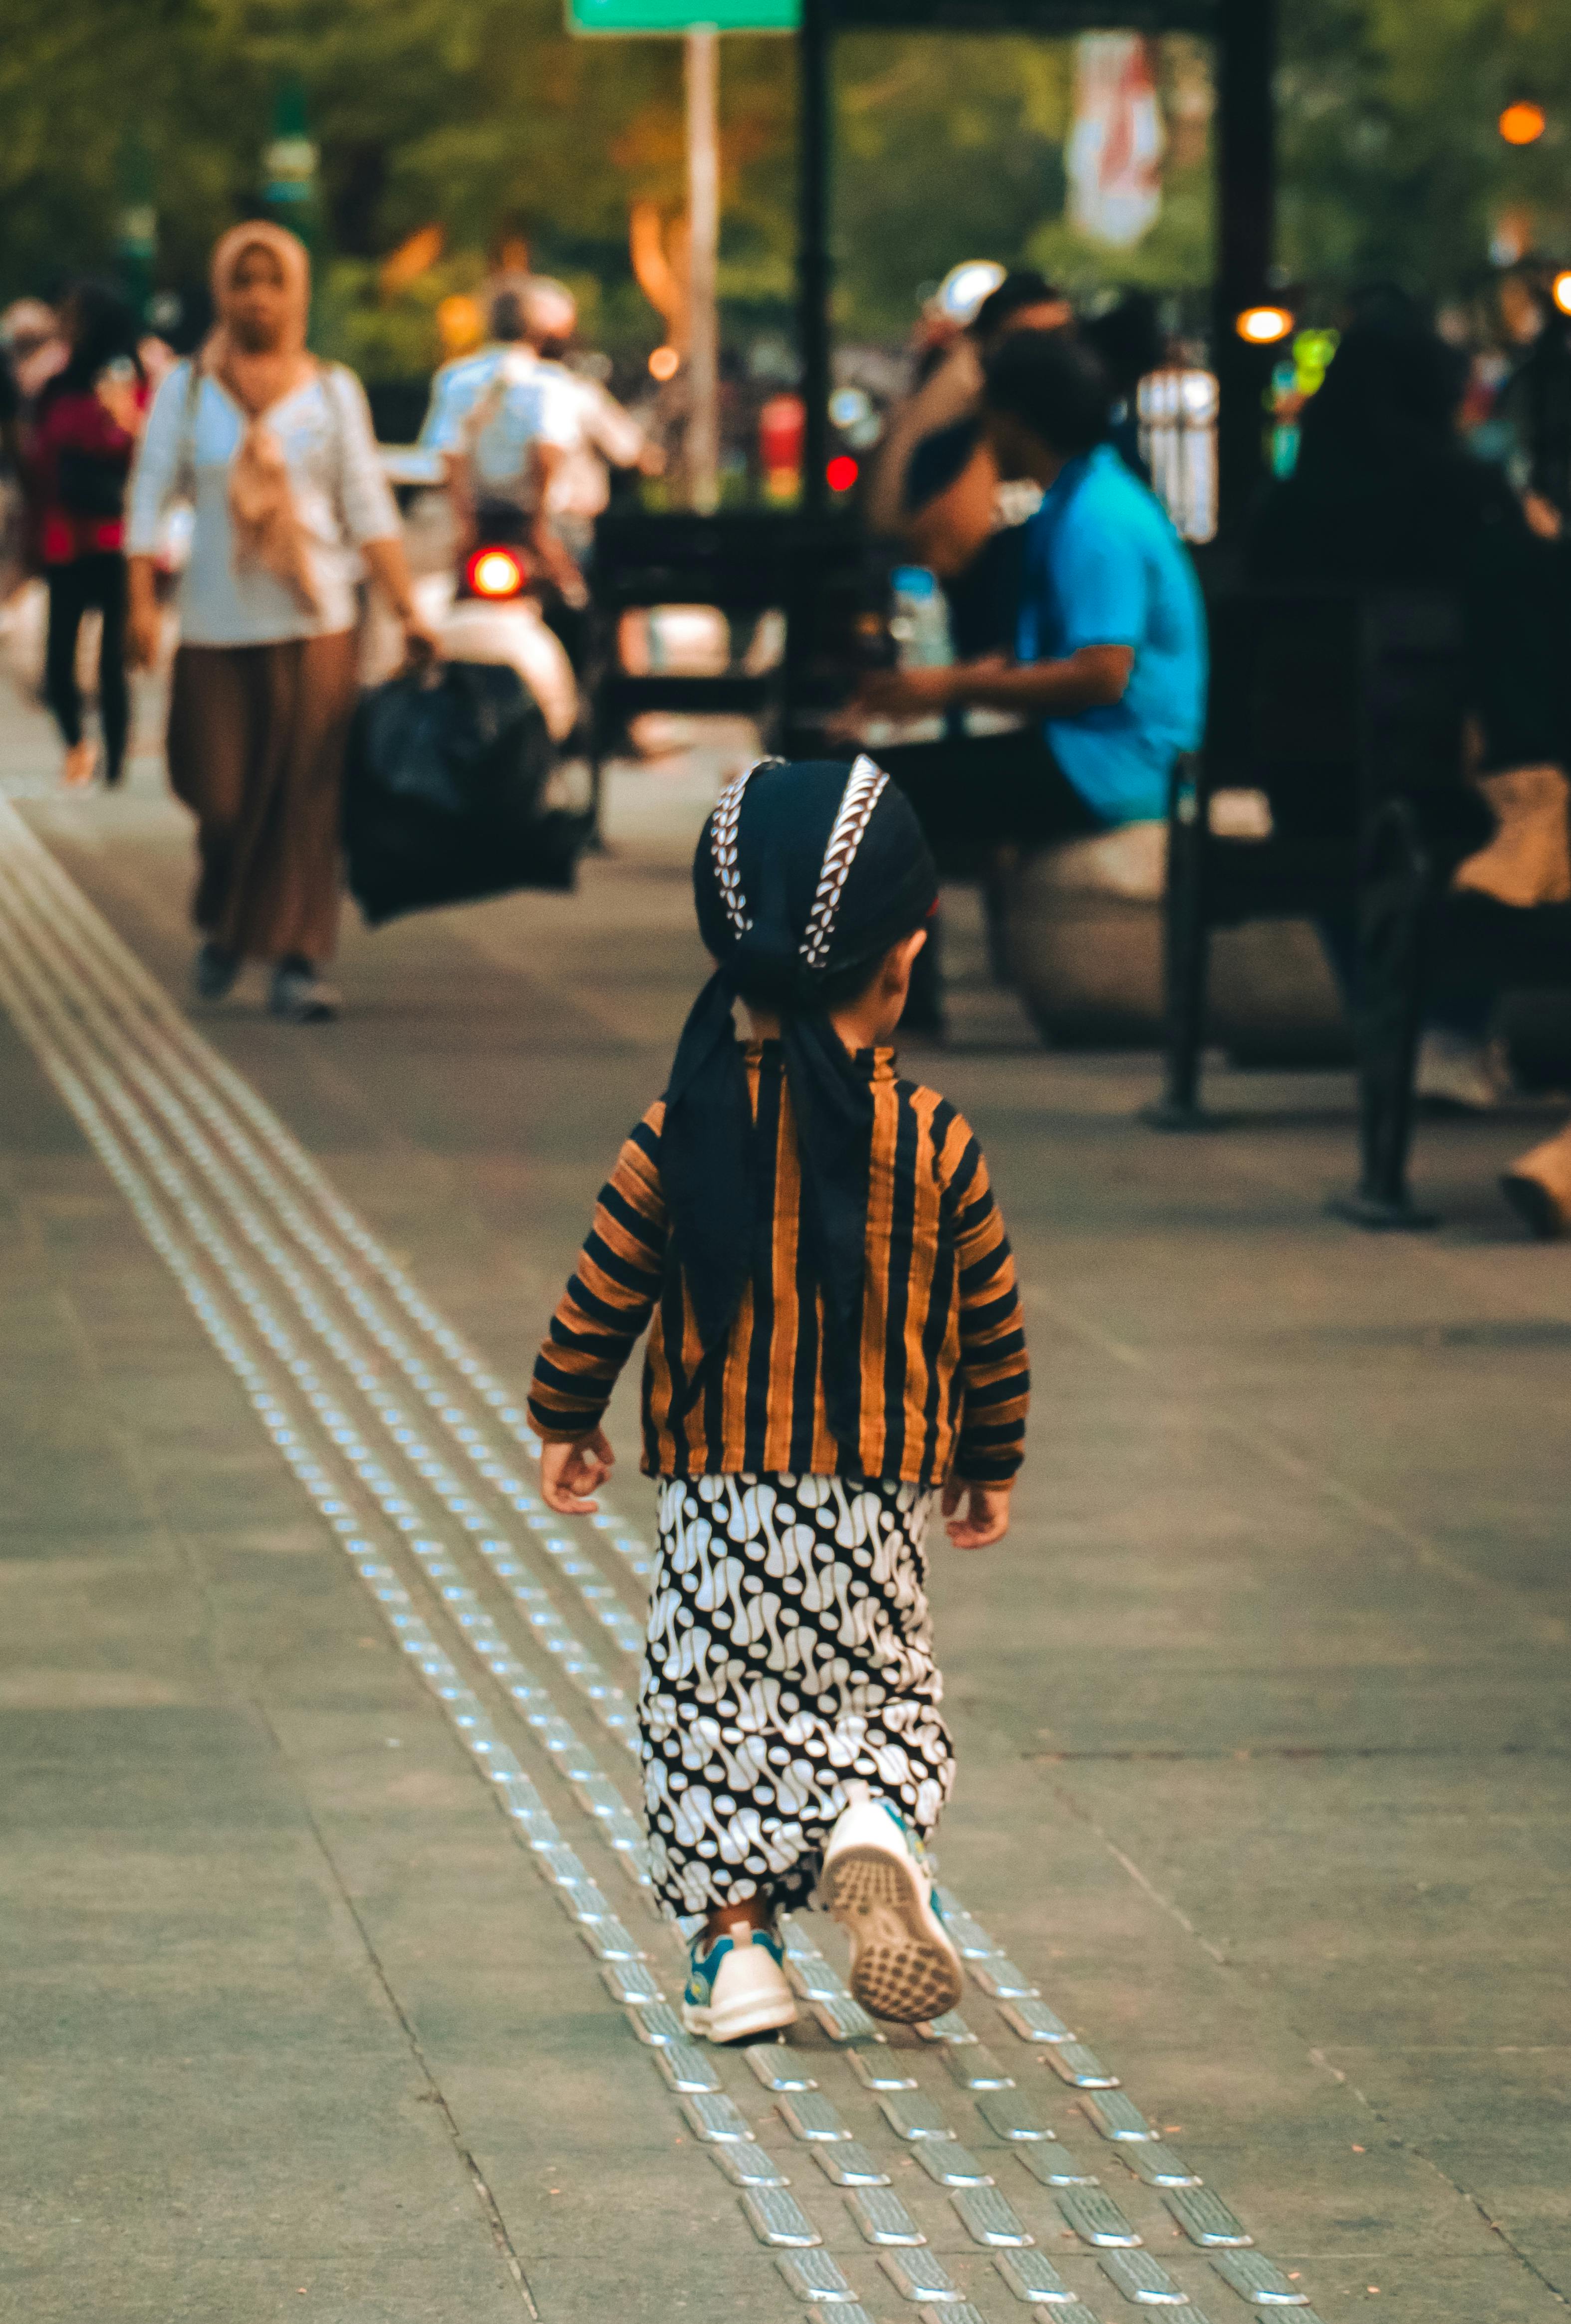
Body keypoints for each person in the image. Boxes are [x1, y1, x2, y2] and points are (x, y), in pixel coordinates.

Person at [525, 756, 1030, 2043]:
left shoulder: (686, 1122)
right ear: (902, 955)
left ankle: (737, 1952)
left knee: (706, 1704)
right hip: (874, 1503)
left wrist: (566, 1412)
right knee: (875, 1691)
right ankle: (871, 1818)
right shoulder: (932, 1137)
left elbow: (606, 1280)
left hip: (720, 1502)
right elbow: (990, 1320)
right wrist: (989, 1457)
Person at [1248, 293, 1571, 1133]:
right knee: (1498, 801)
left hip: (1304, 787)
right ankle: (1450, 1031)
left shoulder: (1284, 507)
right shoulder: (1463, 495)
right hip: (1432, 792)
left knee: (1371, 806)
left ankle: (1388, 1020)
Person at [839, 329, 1207, 1031]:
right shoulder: (1083, 497)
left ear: (1011, 420)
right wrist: (974, 677)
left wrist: (956, 688)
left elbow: (1101, 675)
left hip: (1120, 760)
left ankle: (898, 1009)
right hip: (1102, 748)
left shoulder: (1097, 518)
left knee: (890, 796)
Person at [125, 222, 435, 1021]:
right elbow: (149, 493)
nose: (257, 298)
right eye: (242, 281)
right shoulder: (187, 392)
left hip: (315, 620)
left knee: (305, 797)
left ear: (296, 293)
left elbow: (367, 505)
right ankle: (228, 926)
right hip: (214, 626)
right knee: (222, 798)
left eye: (272, 282)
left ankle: (297, 956)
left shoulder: (332, 391)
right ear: (221, 292)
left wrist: (407, 610)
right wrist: (136, 602)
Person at [869, 270, 1074, 661]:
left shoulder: (1094, 454)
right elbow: (935, 557)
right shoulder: (952, 439)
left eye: (1062, 341)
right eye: (1027, 343)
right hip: (976, 662)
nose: (1049, 358)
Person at [28, 283, 149, 787]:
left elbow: (151, 460)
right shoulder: (56, 387)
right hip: (65, 538)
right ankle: (79, 744)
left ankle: (116, 765)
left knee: (111, 666)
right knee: (58, 665)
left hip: (117, 540)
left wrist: (126, 418)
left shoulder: (131, 385)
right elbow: (39, 460)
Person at [417, 281, 582, 602]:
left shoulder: (455, 378)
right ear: (535, 330)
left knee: (450, 603)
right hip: (535, 523)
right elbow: (548, 455)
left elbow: (449, 455)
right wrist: (541, 526)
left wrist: (464, 524)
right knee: (574, 602)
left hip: (477, 523)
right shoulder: (551, 383)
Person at [518, 277, 662, 564]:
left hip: (502, 520)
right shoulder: (578, 391)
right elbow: (631, 451)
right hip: (567, 524)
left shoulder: (485, 386)